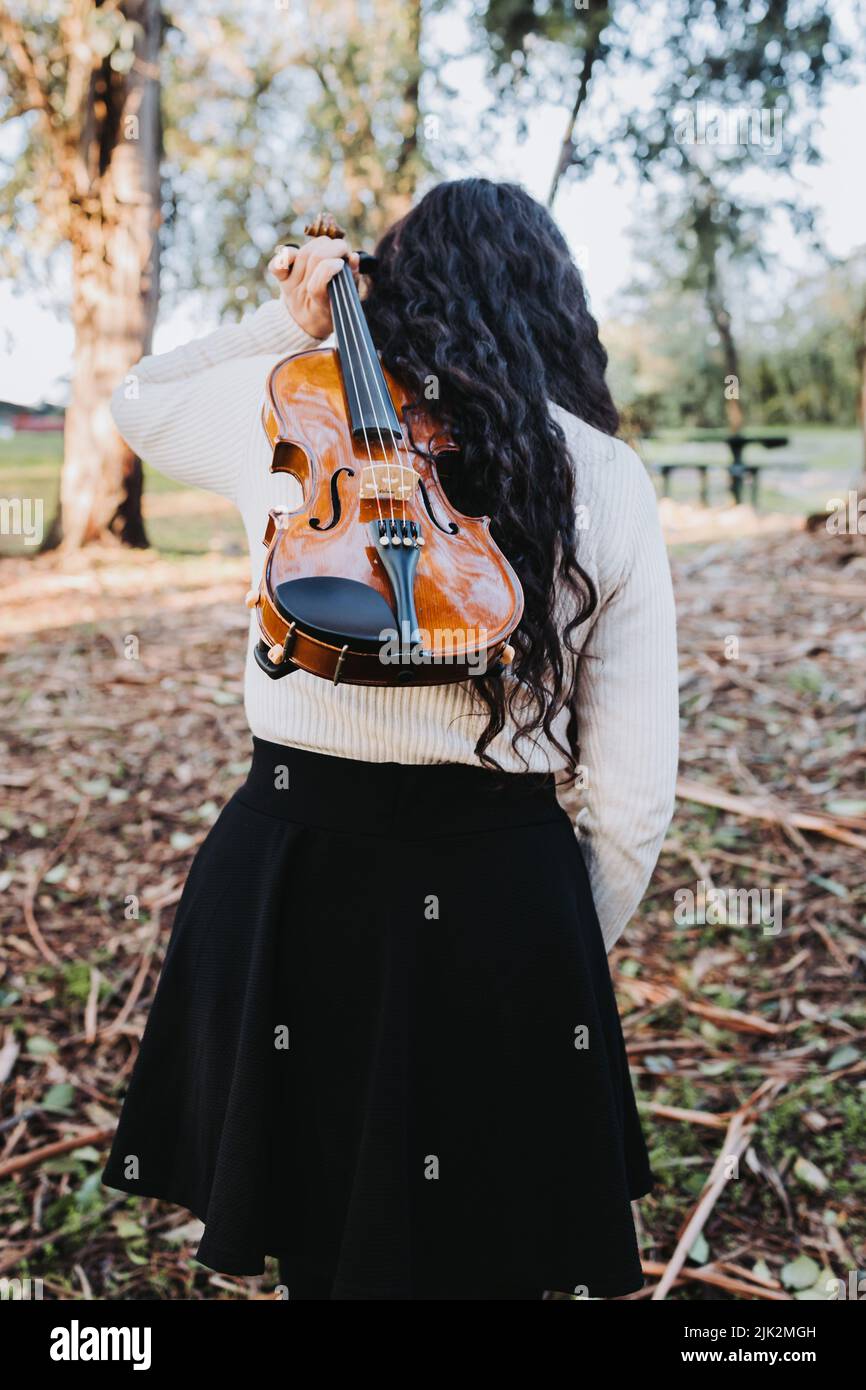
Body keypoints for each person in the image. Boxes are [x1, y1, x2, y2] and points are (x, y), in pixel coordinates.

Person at [101, 178, 679, 1301]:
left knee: (323, 1236)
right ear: (550, 305)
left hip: (290, 872)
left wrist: (292, 323)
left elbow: (140, 398)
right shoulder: (603, 476)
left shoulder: (288, 413)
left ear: (393, 284)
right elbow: (631, 799)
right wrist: (551, 943)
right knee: (491, 1252)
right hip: (504, 891)